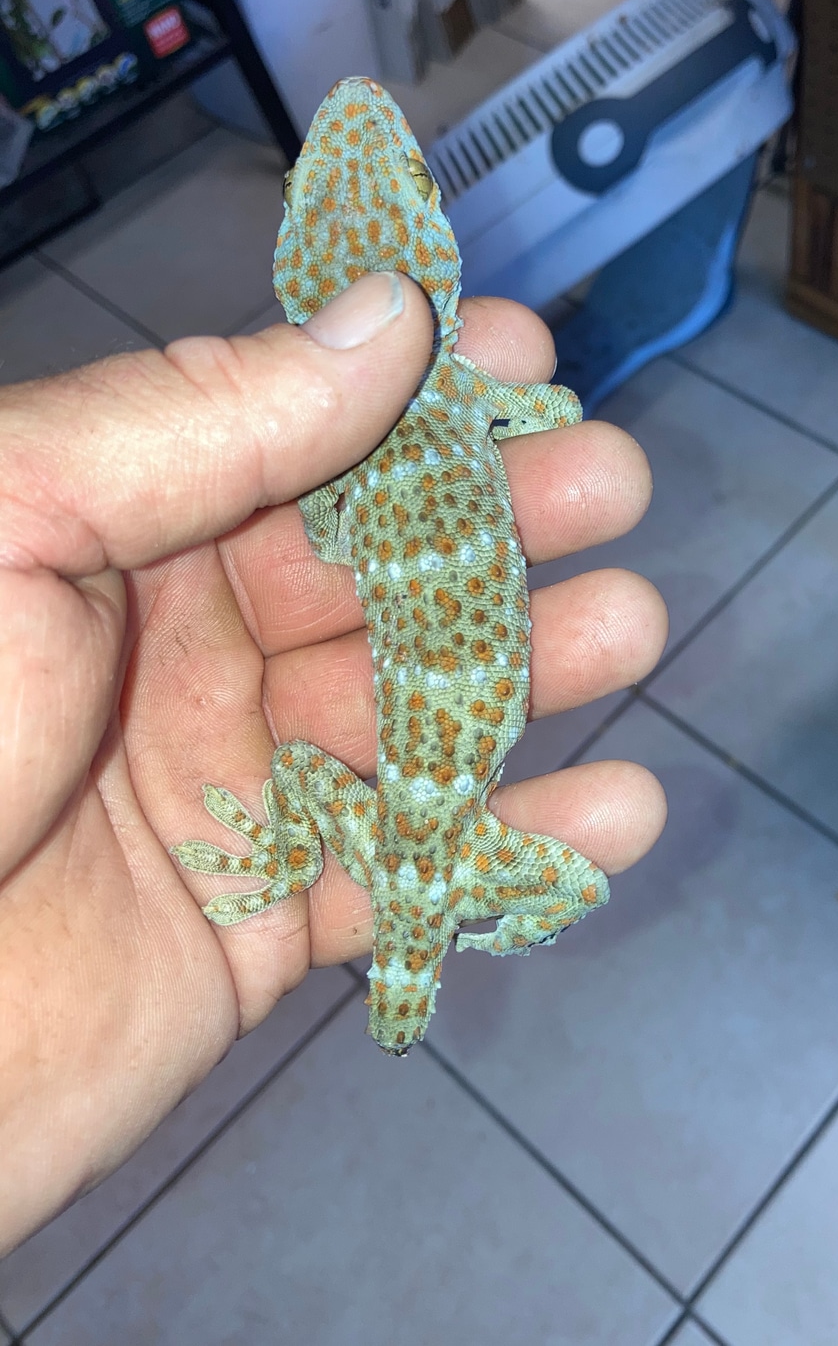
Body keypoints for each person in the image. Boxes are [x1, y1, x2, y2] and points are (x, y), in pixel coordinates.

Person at [0, 273, 667, 1255]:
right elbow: (553, 408)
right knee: (555, 864)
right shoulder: (456, 411)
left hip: (427, 794)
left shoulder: (420, 832)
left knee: (546, 863)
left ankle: (335, 878)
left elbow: (341, 545)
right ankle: (399, 899)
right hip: (422, 779)